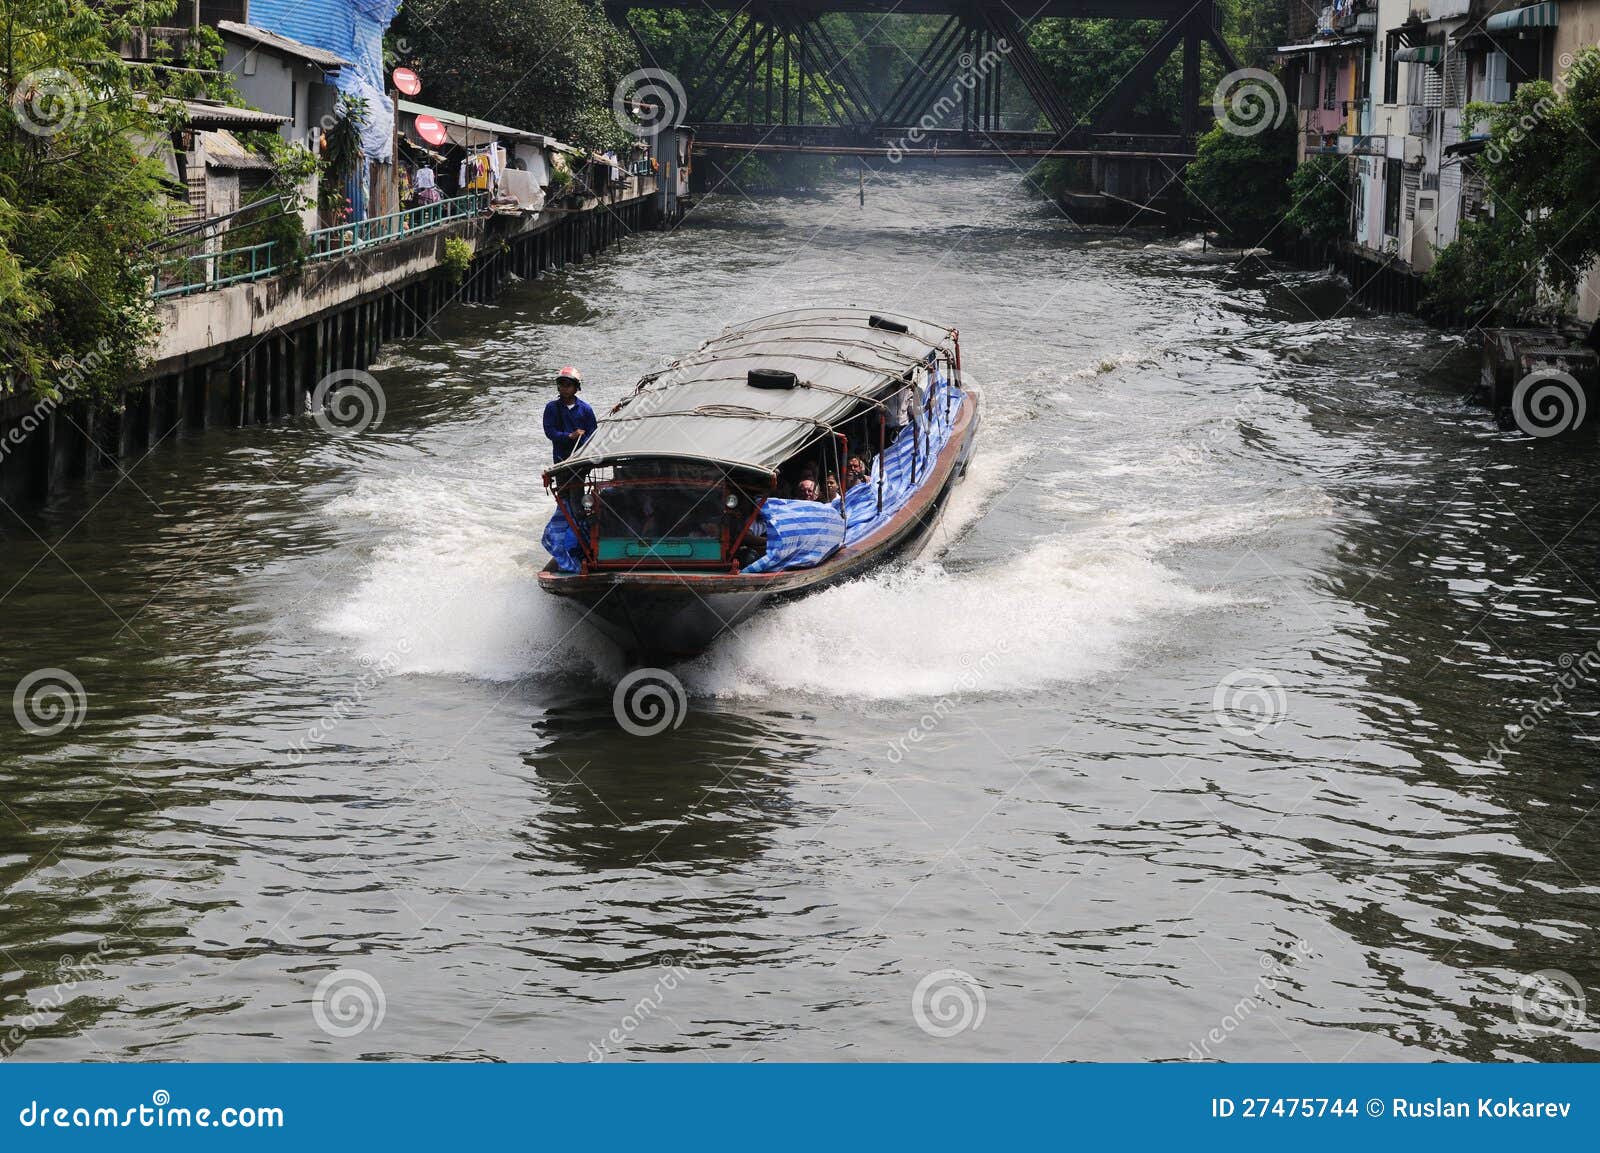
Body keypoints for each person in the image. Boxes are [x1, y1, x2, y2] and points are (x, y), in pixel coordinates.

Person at [543, 366, 597, 463]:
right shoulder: (551, 408)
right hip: (561, 458)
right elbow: (550, 432)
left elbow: (593, 435)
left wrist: (582, 438)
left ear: (576, 388)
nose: (565, 388)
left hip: (581, 458)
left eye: (568, 385)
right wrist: (569, 436)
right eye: (562, 385)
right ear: (558, 387)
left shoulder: (585, 409)